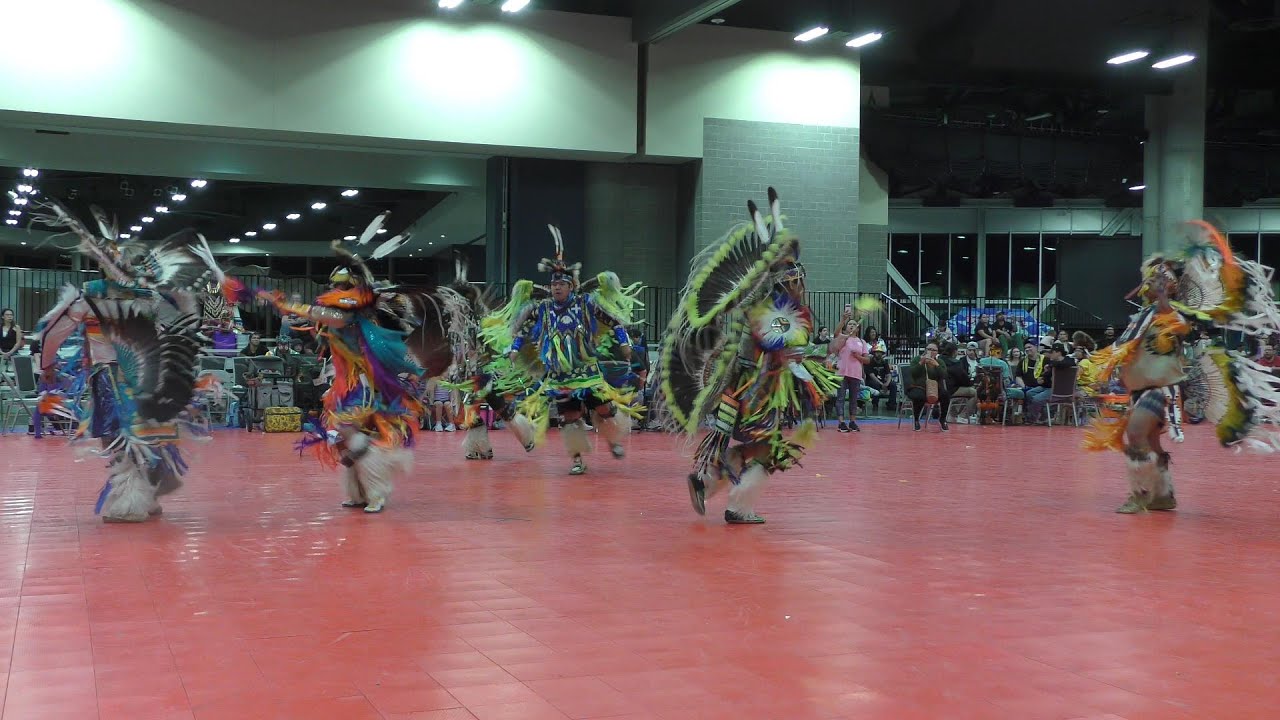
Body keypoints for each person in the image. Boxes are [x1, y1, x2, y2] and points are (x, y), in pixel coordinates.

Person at [30, 198, 224, 523]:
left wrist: (47, 366)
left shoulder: (88, 296)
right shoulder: (150, 297)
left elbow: (51, 333)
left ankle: (129, 503)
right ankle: (144, 496)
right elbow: (182, 327)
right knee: (148, 434)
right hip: (153, 373)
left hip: (109, 377)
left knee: (118, 437)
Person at [659, 188, 841, 524]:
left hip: (749, 392)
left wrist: (829, 346)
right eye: (798, 280)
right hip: (757, 394)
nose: (802, 285)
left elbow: (794, 349)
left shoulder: (773, 309)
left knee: (761, 450)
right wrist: (815, 353)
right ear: (790, 282)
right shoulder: (772, 312)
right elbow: (783, 348)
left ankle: (713, 483)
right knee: (769, 452)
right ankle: (730, 498)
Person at [1084, 221, 1280, 513]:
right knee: (1150, 442)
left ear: (1167, 288)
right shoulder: (1141, 318)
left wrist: (1164, 299)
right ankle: (1164, 494)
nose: (1150, 285)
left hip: (1162, 390)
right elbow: (1125, 352)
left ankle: (1140, 493)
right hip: (1139, 390)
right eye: (1151, 282)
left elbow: (1178, 324)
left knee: (1135, 435)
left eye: (1157, 282)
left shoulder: (1176, 315)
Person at [253, 238, 429, 513]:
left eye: (342, 286)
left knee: (349, 431)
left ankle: (377, 492)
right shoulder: (337, 315)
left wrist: (288, 306)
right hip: (344, 383)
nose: (335, 290)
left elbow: (323, 314)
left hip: (366, 384)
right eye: (335, 285)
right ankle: (359, 491)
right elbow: (322, 323)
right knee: (338, 437)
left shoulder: (349, 315)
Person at [482, 225, 643, 476]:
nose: (556, 287)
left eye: (562, 284)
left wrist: (625, 343)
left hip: (586, 371)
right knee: (570, 418)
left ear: (571, 286)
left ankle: (612, 439)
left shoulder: (585, 303)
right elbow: (522, 330)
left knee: (605, 410)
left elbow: (614, 321)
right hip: (559, 376)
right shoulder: (542, 308)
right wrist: (514, 349)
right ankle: (577, 459)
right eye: (554, 284)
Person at [829, 312, 870, 432]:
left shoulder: (862, 342)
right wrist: (843, 319)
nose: (852, 326)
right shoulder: (843, 338)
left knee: (853, 399)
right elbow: (836, 333)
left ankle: (852, 421)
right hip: (842, 372)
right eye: (849, 324)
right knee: (840, 398)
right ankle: (841, 422)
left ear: (857, 328)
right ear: (846, 327)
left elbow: (867, 360)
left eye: (854, 324)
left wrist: (858, 357)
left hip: (855, 373)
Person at [906, 342, 950, 431]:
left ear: (937, 352)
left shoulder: (939, 362)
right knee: (919, 396)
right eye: (929, 349)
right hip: (917, 387)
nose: (931, 351)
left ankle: (942, 419)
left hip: (934, 389)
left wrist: (936, 365)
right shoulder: (917, 359)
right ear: (925, 350)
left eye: (934, 350)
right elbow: (912, 373)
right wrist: (921, 363)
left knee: (945, 395)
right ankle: (916, 420)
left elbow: (944, 375)